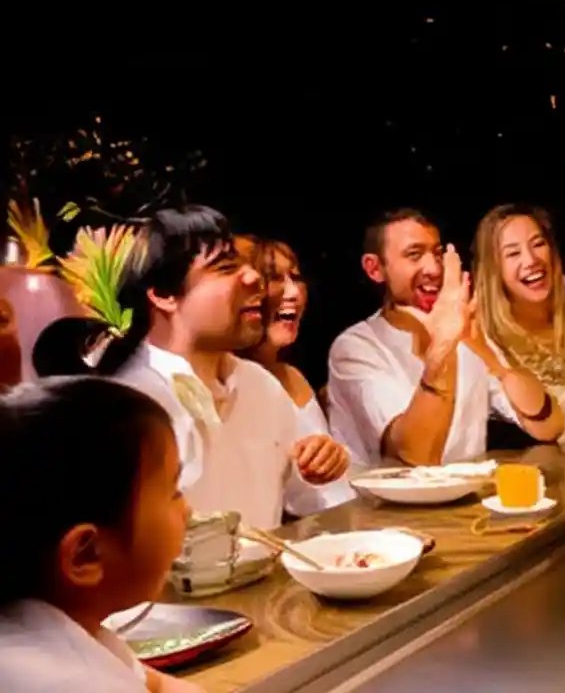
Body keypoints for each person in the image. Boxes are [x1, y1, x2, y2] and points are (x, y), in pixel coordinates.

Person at [35, 206, 351, 530]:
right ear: (163, 294)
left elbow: (308, 502)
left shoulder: (262, 387)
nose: (254, 278)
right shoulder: (128, 409)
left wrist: (324, 462)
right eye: (225, 267)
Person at [0, 377, 200, 692]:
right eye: (174, 491)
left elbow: (153, 682)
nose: (187, 509)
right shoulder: (75, 683)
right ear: (86, 554)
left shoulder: (34, 631)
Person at [327, 207, 564, 471]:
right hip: (389, 510)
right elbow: (415, 458)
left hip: (466, 503)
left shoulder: (463, 330)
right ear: (374, 269)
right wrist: (443, 348)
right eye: (414, 255)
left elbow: (549, 425)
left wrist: (488, 355)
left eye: (438, 254)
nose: (433, 268)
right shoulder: (356, 347)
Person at [470, 203, 565, 442]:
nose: (531, 260)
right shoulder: (481, 333)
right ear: (493, 268)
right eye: (513, 253)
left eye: (538, 244)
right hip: (528, 470)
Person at [234, 235, 354, 515]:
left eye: (296, 277)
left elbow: (328, 487)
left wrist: (335, 457)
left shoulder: (293, 375)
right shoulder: (233, 387)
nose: (294, 293)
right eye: (273, 278)